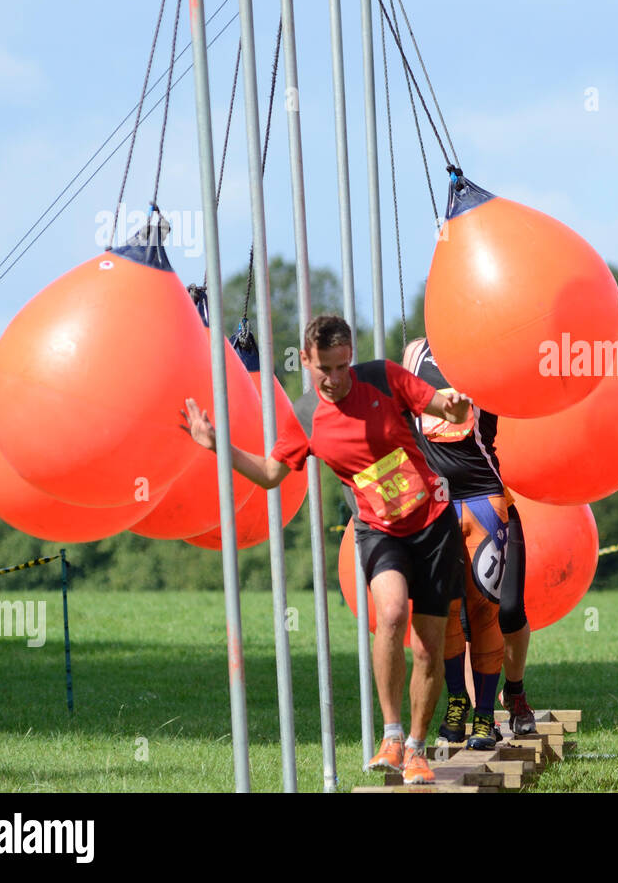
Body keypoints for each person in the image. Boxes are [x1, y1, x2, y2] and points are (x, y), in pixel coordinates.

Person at [182, 314, 472, 784]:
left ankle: (418, 747)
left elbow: (446, 409)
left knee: (427, 649)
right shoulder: (304, 416)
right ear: (305, 360)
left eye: (341, 367)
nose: (334, 380)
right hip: (378, 529)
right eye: (323, 370)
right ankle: (392, 735)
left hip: (433, 523)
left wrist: (457, 408)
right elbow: (271, 475)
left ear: (350, 357)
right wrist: (217, 445)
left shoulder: (384, 378)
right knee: (391, 614)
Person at [402, 337, 520, 749]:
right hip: (435, 503)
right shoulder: (416, 352)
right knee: (446, 611)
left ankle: (486, 716)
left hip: (483, 498)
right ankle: (458, 702)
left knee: (484, 610)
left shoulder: (492, 349)